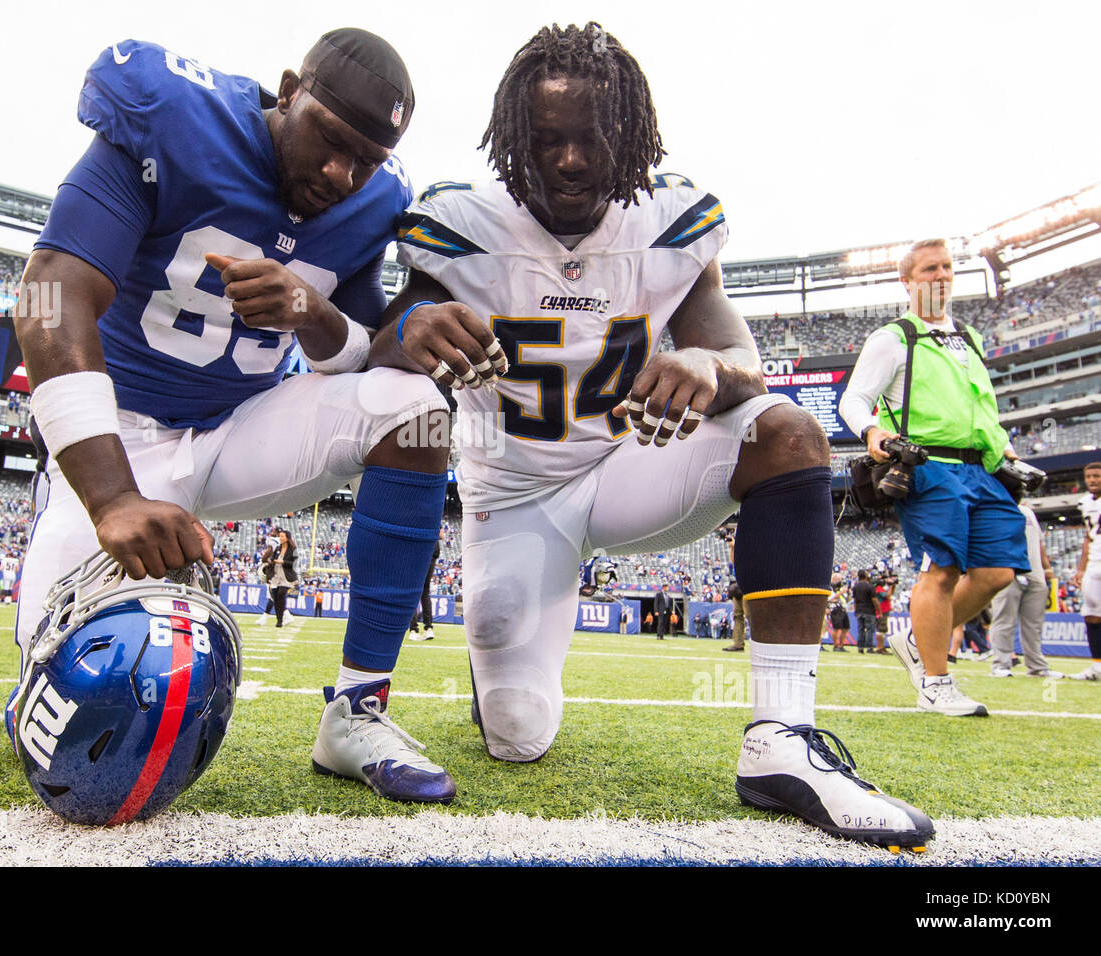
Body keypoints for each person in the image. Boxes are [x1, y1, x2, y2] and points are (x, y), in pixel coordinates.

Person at [370, 22, 932, 849]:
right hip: (516, 495)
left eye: (591, 139)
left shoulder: (669, 219)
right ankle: (503, 656)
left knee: (789, 434)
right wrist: (415, 324)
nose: (568, 161)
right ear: (512, 138)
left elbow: (742, 357)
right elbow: (382, 339)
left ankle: (781, 739)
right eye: (545, 139)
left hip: (636, 464)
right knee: (519, 734)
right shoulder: (460, 221)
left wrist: (706, 366)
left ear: (629, 136)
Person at [9, 32, 454, 803]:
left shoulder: (372, 203)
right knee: (51, 710)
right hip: (126, 434)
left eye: (368, 162)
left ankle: (357, 710)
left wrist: (312, 310)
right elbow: (49, 294)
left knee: (414, 407)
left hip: (244, 424)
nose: (343, 175)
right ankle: (73, 505)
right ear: (289, 90)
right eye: (332, 142)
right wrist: (111, 496)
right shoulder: (177, 118)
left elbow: (355, 358)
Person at [840, 238, 1028, 717]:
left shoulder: (969, 336)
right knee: (942, 570)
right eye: (929, 268)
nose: (941, 275)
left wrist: (1000, 441)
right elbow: (853, 399)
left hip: (981, 467)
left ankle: (917, 638)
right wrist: (871, 429)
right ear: (907, 280)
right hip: (928, 467)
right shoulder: (894, 337)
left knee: (995, 573)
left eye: (947, 266)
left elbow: (977, 402)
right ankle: (936, 683)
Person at [989, 492, 1062, 678]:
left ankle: (1037, 666)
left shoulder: (1028, 512)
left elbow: (1038, 542)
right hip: (1008, 571)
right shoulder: (994, 510)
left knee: (1034, 625)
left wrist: (1046, 568)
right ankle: (1000, 664)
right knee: (1003, 620)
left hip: (1034, 573)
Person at [1069, 462, 1101, 680]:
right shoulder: (1084, 503)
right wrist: (1081, 568)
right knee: (1091, 615)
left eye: (1097, 476)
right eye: (1089, 476)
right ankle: (1097, 666)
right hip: (1095, 563)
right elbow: (1088, 538)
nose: (1092, 480)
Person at [408, 532, 440, 640]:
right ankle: (428, 628)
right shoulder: (433, 514)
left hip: (416, 549)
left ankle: (413, 629)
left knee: (413, 592)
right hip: (430, 549)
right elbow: (440, 534)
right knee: (425, 593)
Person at [852, 570, 879, 654]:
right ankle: (869, 647)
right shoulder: (870, 586)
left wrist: (856, 610)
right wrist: (879, 611)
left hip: (860, 610)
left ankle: (860, 647)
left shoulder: (856, 586)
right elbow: (874, 600)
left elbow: (855, 600)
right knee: (870, 630)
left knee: (860, 629)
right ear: (865, 576)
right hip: (869, 611)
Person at [722, 580, 746, 651]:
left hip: (750, 586)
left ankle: (761, 643)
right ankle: (738, 644)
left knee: (753, 616)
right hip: (738, 588)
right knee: (737, 617)